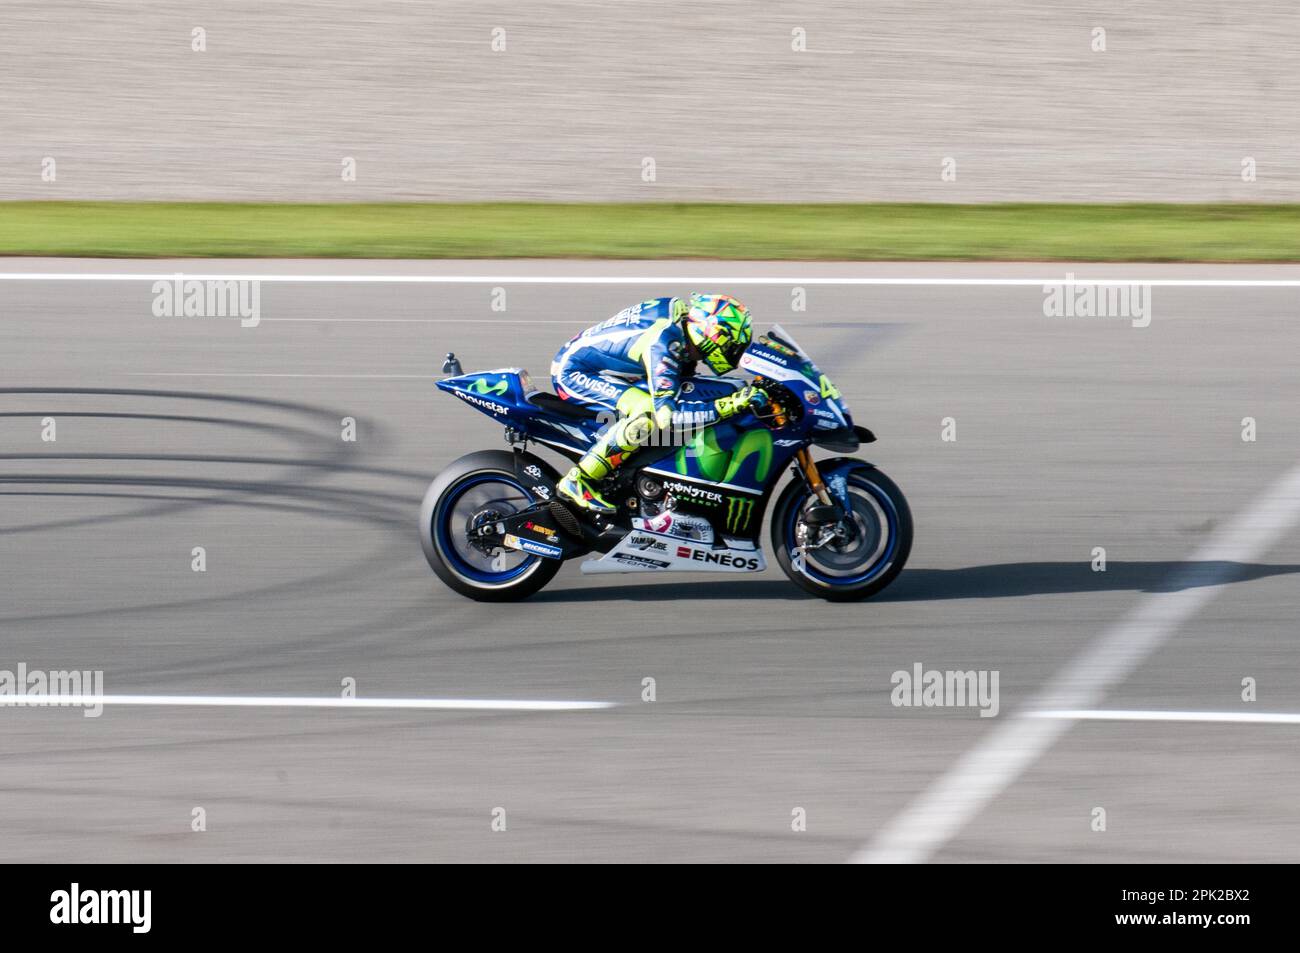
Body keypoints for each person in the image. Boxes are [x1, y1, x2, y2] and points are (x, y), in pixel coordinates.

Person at [552, 293, 764, 513]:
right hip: (574, 373)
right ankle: (578, 480)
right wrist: (727, 406)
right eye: (733, 344)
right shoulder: (665, 344)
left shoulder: (680, 326)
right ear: (712, 333)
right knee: (647, 413)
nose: (736, 352)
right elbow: (668, 418)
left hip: (601, 364)